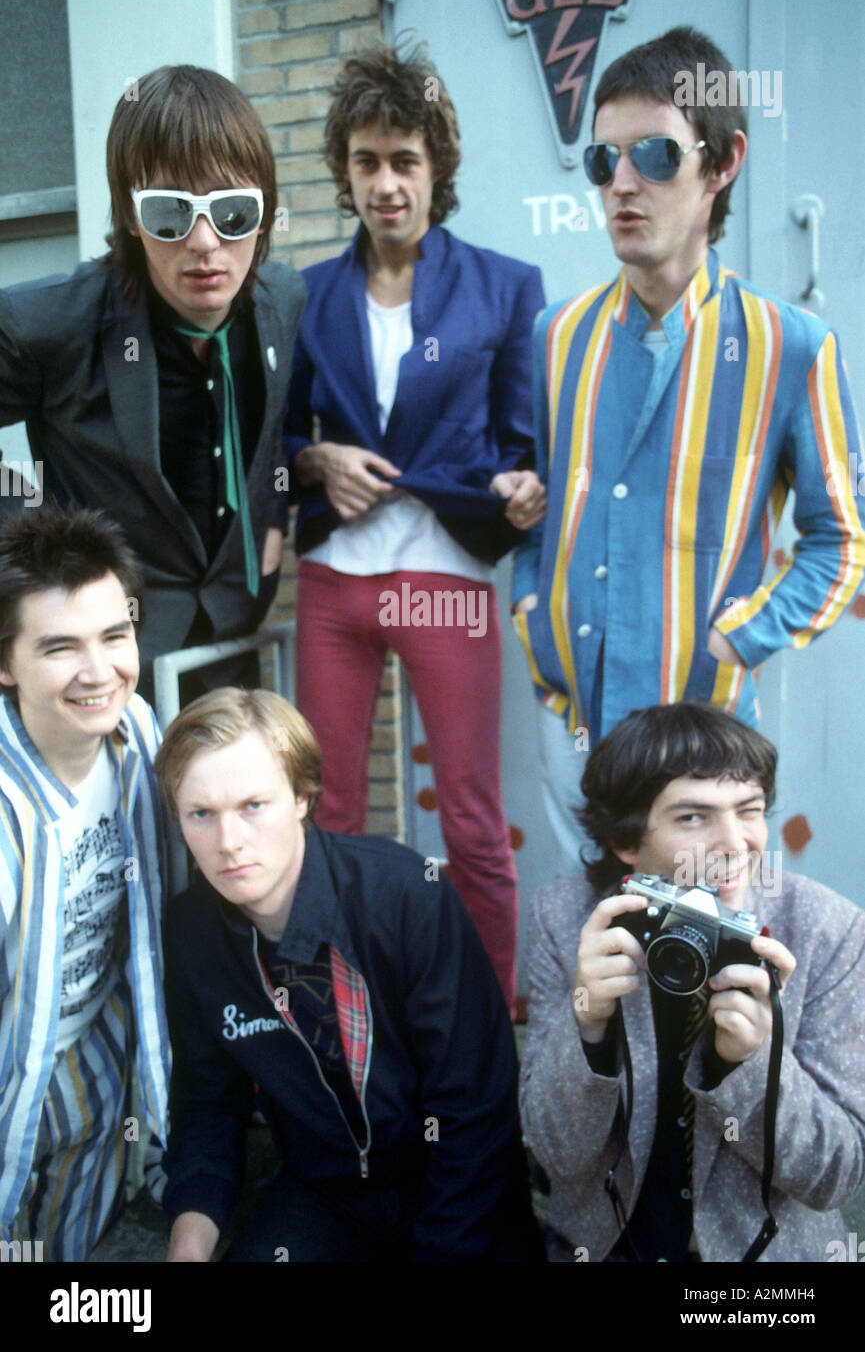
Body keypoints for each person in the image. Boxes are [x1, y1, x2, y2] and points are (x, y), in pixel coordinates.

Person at [512, 26, 865, 871]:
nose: (622, 184)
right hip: (571, 718)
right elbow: (537, 508)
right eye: (603, 162)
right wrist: (535, 619)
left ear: (722, 161)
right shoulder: (555, 337)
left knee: (701, 962)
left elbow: (842, 539)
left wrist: (740, 636)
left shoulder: (791, 347)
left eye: (656, 156)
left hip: (700, 737)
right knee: (589, 951)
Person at [284, 44, 546, 1010]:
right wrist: (314, 462)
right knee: (331, 812)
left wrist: (524, 487)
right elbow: (283, 438)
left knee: (472, 820)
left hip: (447, 578)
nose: (385, 184)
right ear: (344, 171)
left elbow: (524, 444)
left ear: (437, 168)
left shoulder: (504, 286)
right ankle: (339, 1010)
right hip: (335, 581)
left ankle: (495, 1017)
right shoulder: (302, 294)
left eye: (404, 160)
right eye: (365, 161)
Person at [155, 687, 539, 1263]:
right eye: (201, 814)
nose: (229, 843)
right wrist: (187, 1247)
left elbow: (476, 1114)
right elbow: (207, 1106)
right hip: (324, 1193)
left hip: (454, 1189)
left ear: (302, 797)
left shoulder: (408, 895)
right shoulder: (192, 932)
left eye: (253, 806)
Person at [0, 65, 306, 702]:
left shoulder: (282, 301)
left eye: (231, 212)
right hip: (107, 669)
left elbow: (272, 431)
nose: (203, 242)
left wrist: (272, 527)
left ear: (264, 213)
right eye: (170, 212)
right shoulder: (51, 323)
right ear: (130, 216)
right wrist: (36, 549)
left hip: (230, 639)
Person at [520, 701, 865, 1263]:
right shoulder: (568, 919)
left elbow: (834, 1177)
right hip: (609, 1245)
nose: (735, 843)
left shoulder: (827, 932)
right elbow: (554, 1153)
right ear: (626, 842)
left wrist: (752, 1063)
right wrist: (586, 1026)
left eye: (748, 810)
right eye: (693, 817)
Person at [0, 508, 170, 1262]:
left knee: (67, 1255)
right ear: (6, 663)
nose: (99, 671)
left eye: (114, 635)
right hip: (10, 1069)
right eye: (60, 647)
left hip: (94, 1057)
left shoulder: (137, 730)